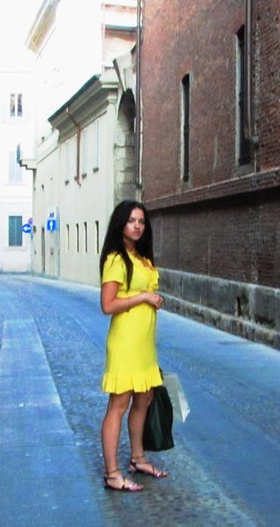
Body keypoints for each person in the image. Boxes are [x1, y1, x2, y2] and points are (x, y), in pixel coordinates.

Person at [100, 199, 166, 492]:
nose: (137, 226)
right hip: (125, 341)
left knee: (144, 399)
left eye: (141, 221)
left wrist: (153, 298)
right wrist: (144, 297)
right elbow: (107, 305)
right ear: (121, 224)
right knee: (119, 405)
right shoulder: (116, 259)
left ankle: (138, 459)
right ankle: (112, 474)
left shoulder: (140, 257)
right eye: (131, 221)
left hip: (144, 343)